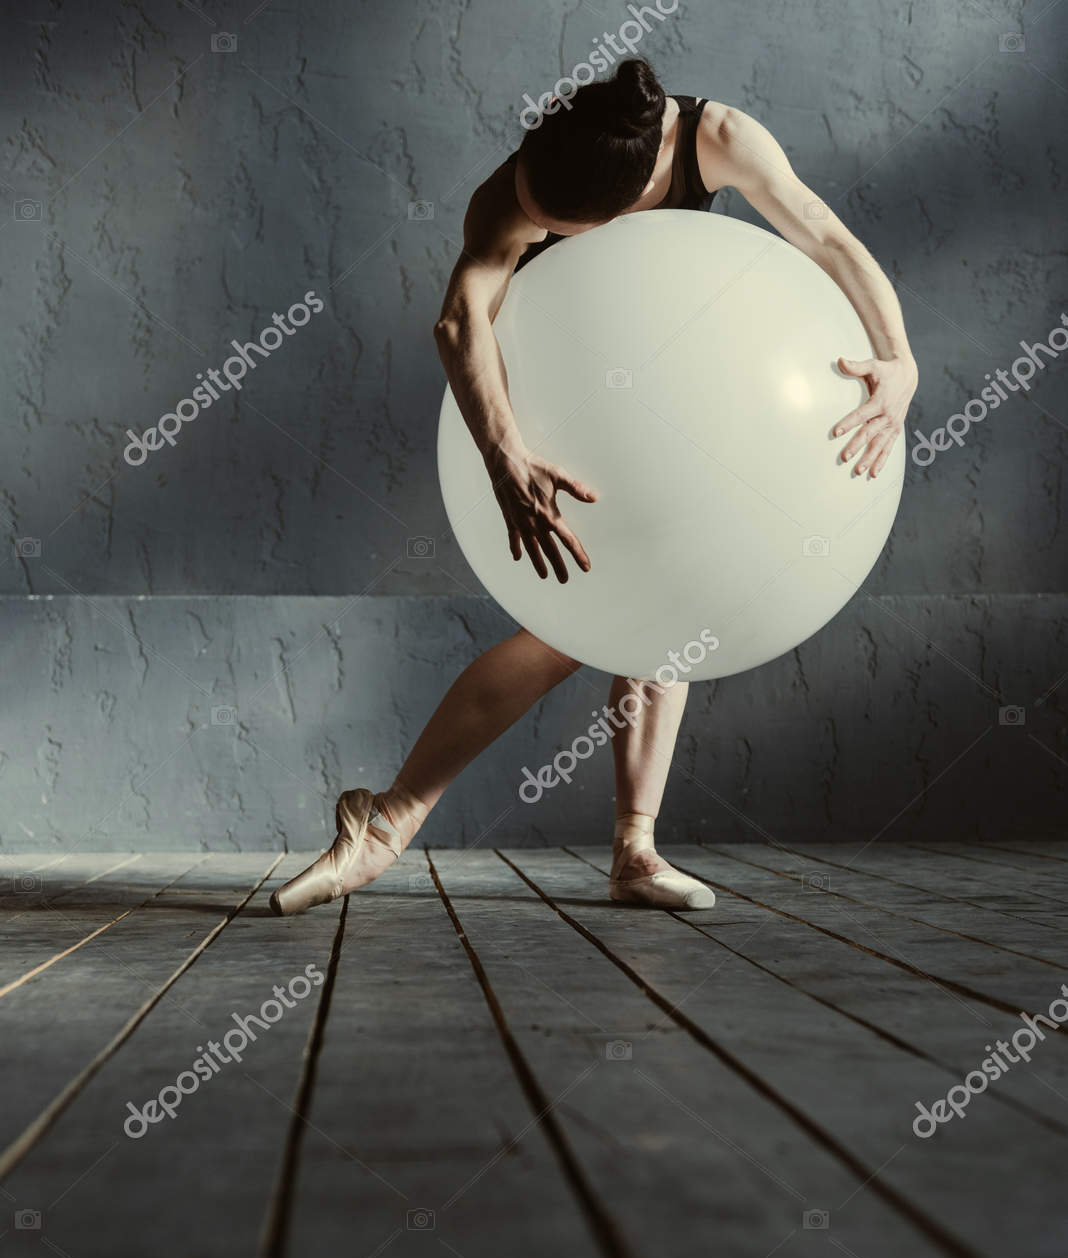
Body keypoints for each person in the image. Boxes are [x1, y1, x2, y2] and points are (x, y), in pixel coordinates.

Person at [271, 58, 917, 918]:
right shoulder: (513, 187)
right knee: (586, 624)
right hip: (573, 411)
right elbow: (461, 317)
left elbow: (830, 241)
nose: (528, 221)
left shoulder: (719, 141)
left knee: (654, 620)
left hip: (706, 399)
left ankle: (422, 827)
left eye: (554, 227)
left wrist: (901, 360)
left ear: (619, 212)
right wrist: (505, 456)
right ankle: (408, 825)